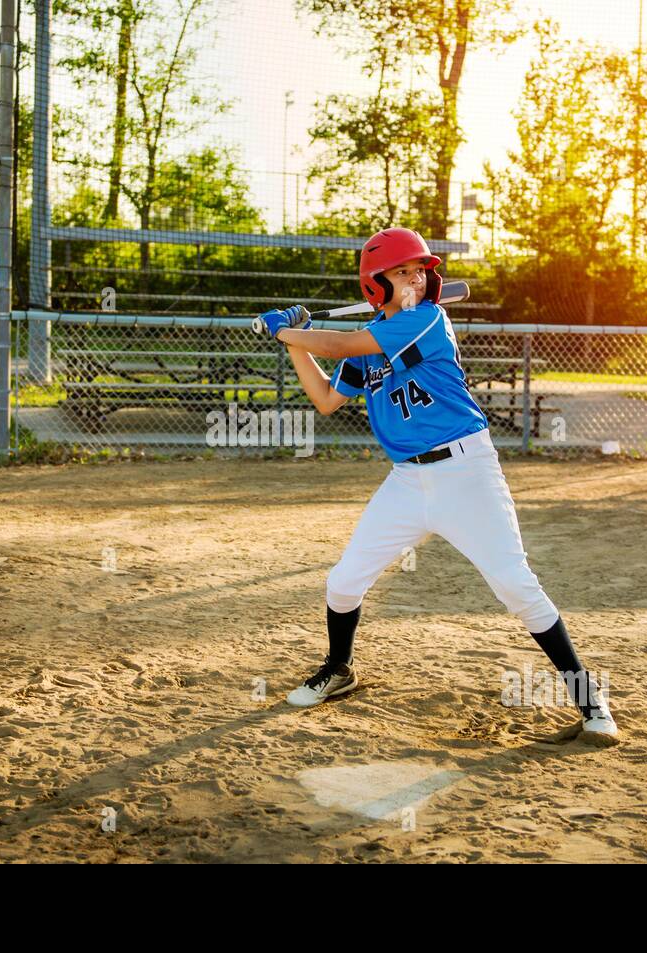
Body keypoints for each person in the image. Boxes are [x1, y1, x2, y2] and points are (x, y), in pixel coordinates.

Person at [254, 227, 617, 745]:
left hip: (466, 473)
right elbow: (325, 399)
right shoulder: (371, 342)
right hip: (407, 480)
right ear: (374, 284)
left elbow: (335, 342)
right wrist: (293, 342)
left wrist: (285, 331)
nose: (417, 278)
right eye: (402, 271)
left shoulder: (427, 319)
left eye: (420, 270)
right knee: (343, 581)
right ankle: (339, 670)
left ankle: (592, 704)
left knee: (516, 585)